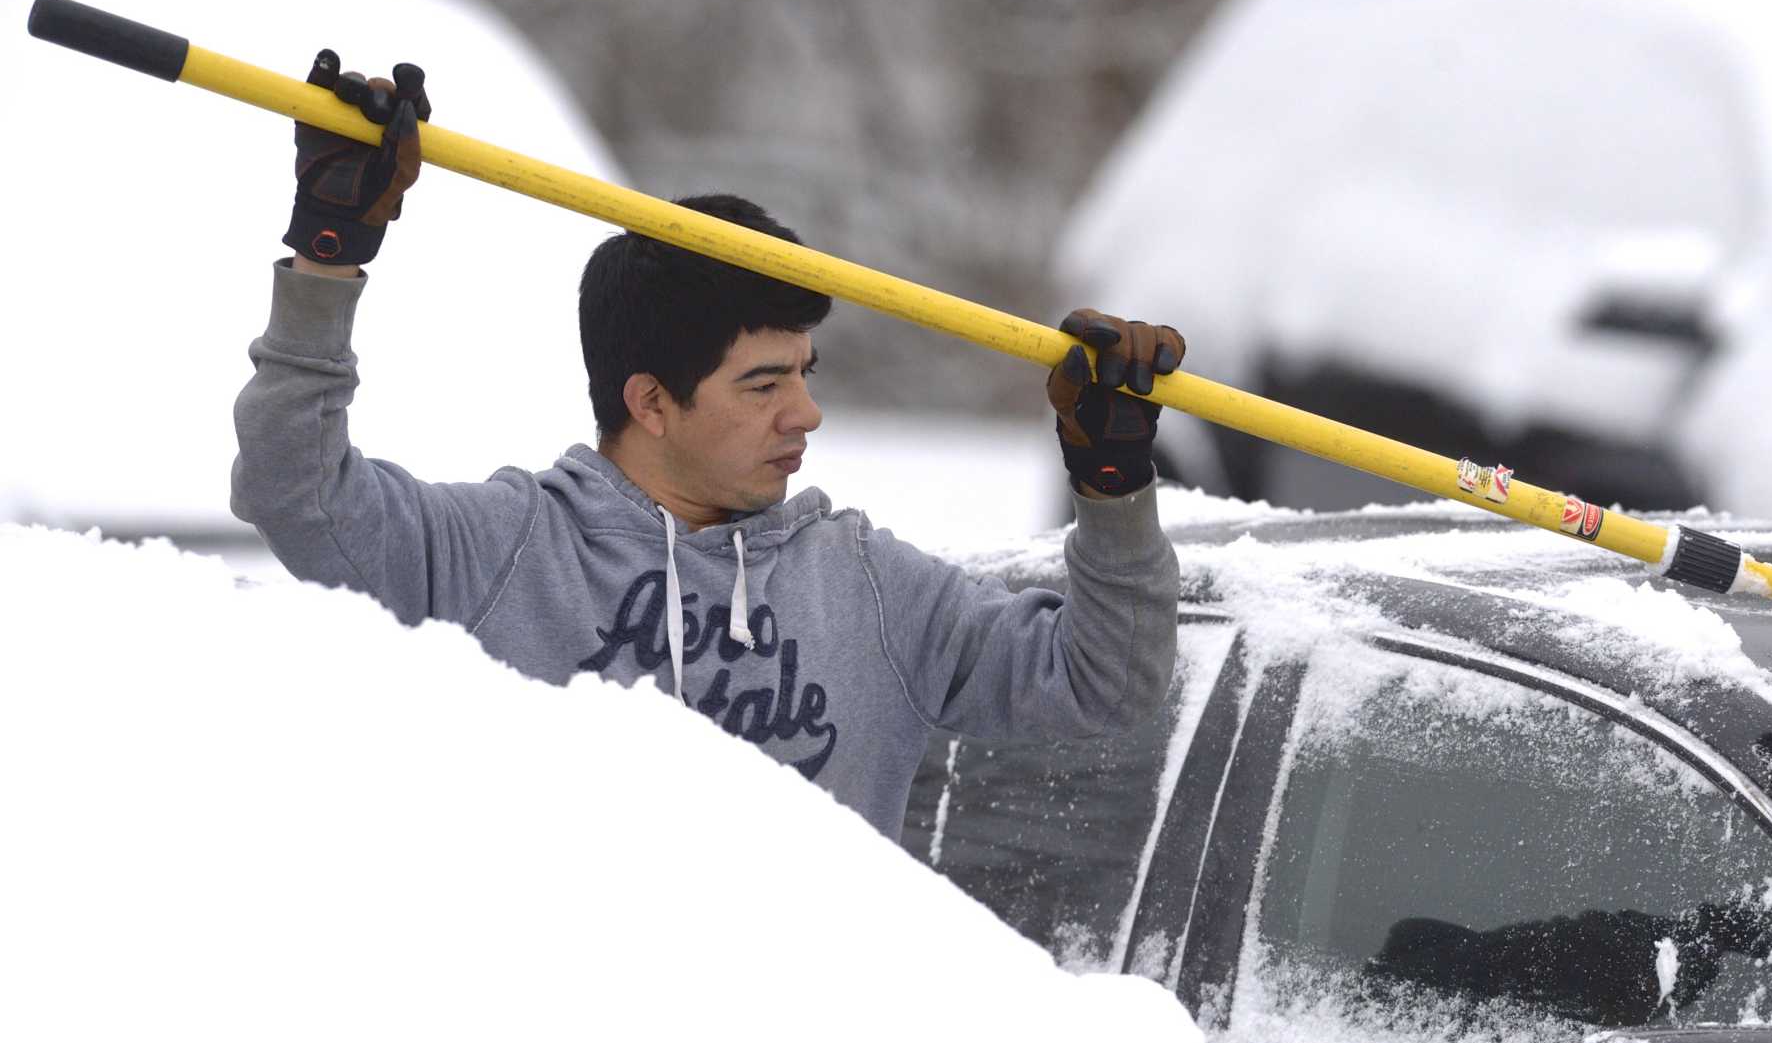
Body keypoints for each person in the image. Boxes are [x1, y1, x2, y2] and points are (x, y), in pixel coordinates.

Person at [231, 56, 1185, 842]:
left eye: (807, 373)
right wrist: (327, 256)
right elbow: (298, 495)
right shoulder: (500, 552)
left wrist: (1111, 485)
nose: (806, 413)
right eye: (765, 384)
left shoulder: (870, 591)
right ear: (650, 400)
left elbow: (1107, 686)